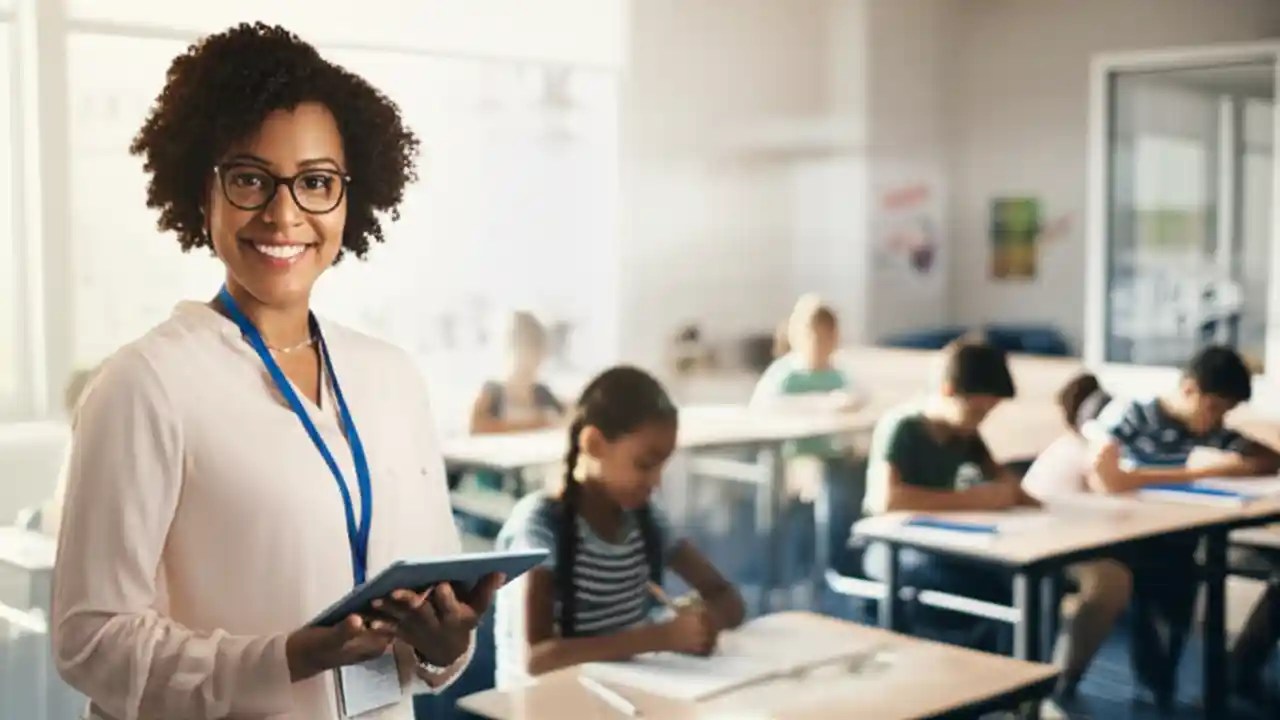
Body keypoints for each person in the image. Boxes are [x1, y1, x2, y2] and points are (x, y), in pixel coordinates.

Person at [50, 23, 500, 720]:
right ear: (204, 193)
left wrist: (445, 646)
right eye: (251, 179)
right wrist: (287, 657)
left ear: (350, 201)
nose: (284, 213)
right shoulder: (145, 386)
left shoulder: (393, 379)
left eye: (316, 182)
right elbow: (90, 642)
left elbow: (431, 622)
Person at [493, 366, 745, 688]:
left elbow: (729, 598)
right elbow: (539, 658)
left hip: (619, 697)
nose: (655, 482)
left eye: (662, 466)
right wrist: (657, 637)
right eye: (644, 464)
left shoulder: (645, 519)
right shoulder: (541, 524)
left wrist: (703, 625)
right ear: (594, 443)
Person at [1090, 345, 1280, 708]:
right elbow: (1111, 478)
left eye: (1226, 412)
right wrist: (1201, 471)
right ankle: (1155, 689)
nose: (1217, 420)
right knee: (1165, 579)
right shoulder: (1133, 416)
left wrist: (1226, 467)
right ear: (1190, 390)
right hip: (1134, 538)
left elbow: (1267, 458)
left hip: (1197, 537)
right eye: (1214, 408)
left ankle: (1238, 672)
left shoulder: (1209, 429)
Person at [862, 338, 1032, 651]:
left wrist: (1008, 493)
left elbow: (1012, 490)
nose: (980, 420)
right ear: (949, 391)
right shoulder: (904, 427)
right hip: (892, 548)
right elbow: (886, 500)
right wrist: (974, 501)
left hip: (946, 544)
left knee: (1020, 584)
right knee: (989, 590)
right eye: (977, 410)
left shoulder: (965, 435)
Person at [1019, 374, 1136, 703]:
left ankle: (1062, 680)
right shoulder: (1087, 454)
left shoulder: (1075, 445)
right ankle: (1062, 681)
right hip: (1045, 547)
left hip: (1066, 542)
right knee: (1111, 581)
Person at [751, 296, 865, 587]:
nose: (822, 344)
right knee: (800, 516)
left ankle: (837, 571)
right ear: (799, 337)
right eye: (816, 336)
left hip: (831, 461)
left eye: (829, 337)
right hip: (791, 461)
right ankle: (790, 577)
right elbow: (762, 412)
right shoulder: (784, 376)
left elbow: (854, 414)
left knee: (846, 493)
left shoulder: (839, 378)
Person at [469, 311, 565, 435]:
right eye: (528, 347)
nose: (533, 358)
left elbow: (566, 417)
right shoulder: (492, 392)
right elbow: (477, 426)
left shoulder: (543, 394)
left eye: (537, 349)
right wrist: (537, 424)